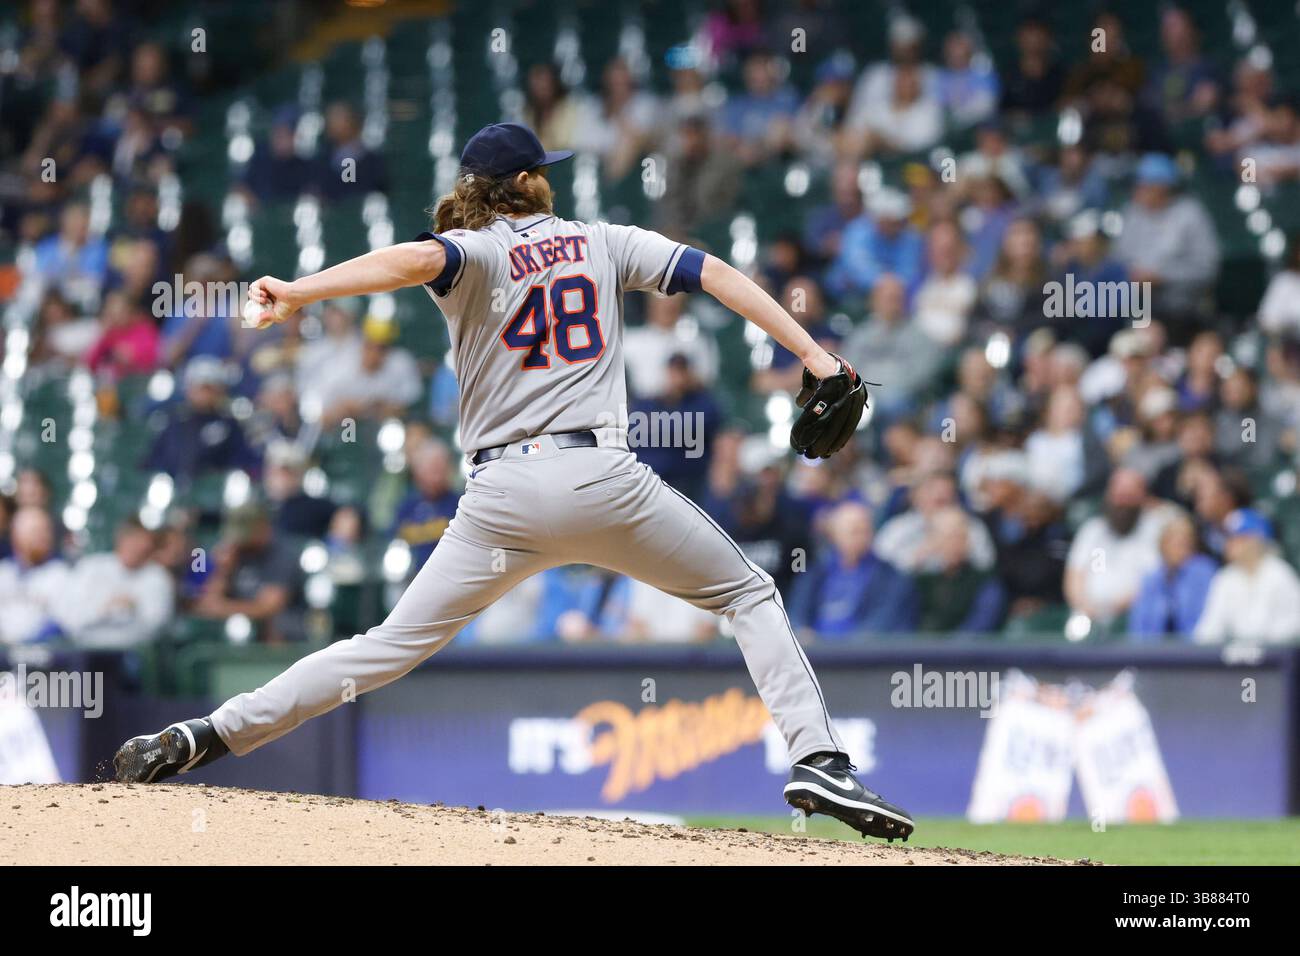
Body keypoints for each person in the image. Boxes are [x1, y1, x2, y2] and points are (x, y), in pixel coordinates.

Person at [114, 122, 913, 841]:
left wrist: (297, 291)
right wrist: (816, 358)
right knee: (747, 596)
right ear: (533, 181)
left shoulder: (477, 252)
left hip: (500, 500)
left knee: (383, 649)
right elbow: (713, 274)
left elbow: (419, 257)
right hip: (602, 478)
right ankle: (819, 759)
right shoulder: (602, 240)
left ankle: (207, 735)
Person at [60, 518, 174, 650]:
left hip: (134, 655)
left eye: (143, 542)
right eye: (133, 540)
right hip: (86, 652)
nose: (138, 547)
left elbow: (155, 627)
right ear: (121, 539)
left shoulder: (157, 577)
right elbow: (72, 619)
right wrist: (106, 610)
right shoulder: (90, 567)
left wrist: (131, 608)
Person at [1195, 509, 1300, 644]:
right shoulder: (1225, 578)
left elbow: (1294, 624)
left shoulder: (1279, 574)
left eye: (1239, 538)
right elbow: (1209, 628)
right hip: (1234, 660)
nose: (1231, 543)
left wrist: (1257, 645)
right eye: (1229, 537)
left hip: (1274, 657)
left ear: (1256, 540)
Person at [1127, 513, 1217, 641]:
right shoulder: (1151, 579)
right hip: (1152, 654)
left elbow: (1206, 622)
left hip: (1193, 652)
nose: (1179, 545)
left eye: (1185, 540)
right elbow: (1138, 627)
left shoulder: (1203, 571)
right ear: (1163, 544)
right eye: (1173, 540)